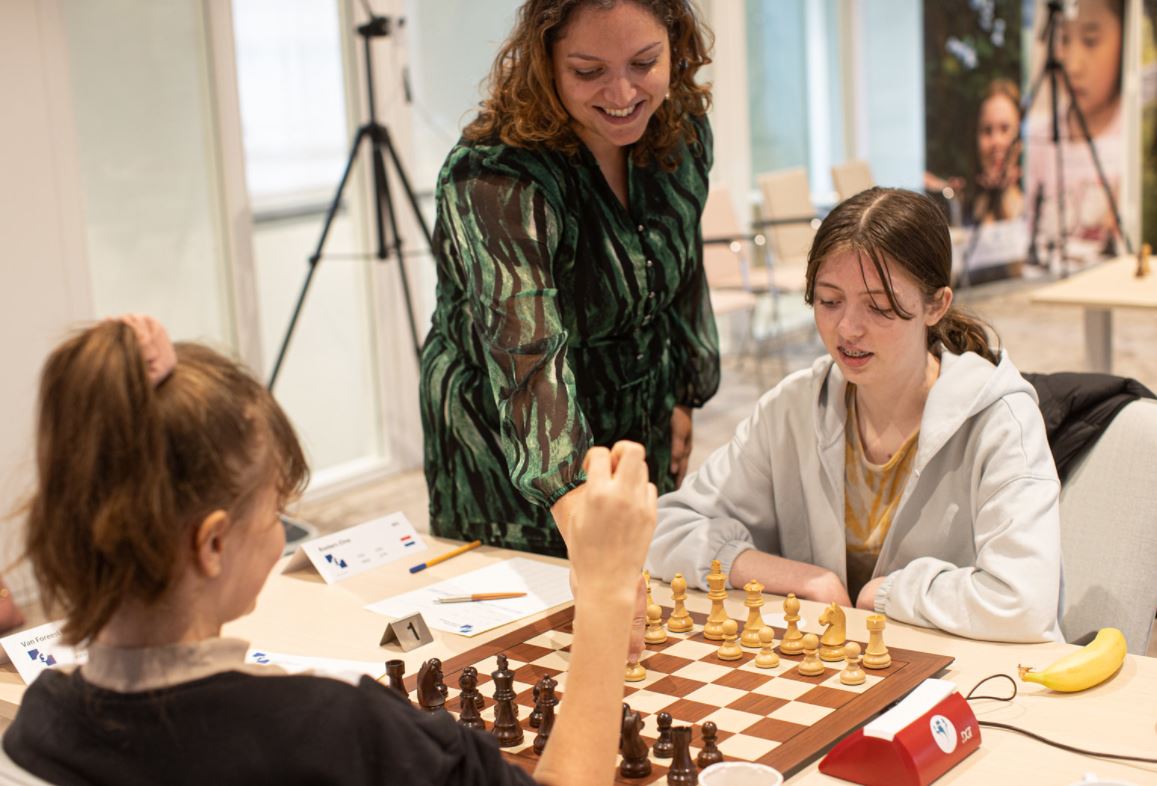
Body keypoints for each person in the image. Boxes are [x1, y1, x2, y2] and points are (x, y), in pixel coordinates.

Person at [4, 315, 658, 785]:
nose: (281, 532)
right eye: (274, 514)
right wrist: (603, 592)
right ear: (211, 543)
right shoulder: (329, 732)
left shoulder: (40, 725)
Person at [646, 188, 1064, 643]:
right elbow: (667, 530)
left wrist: (886, 595)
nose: (847, 329)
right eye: (829, 301)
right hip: (836, 677)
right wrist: (800, 578)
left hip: (976, 688)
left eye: (879, 307)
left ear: (936, 305)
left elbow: (1024, 601)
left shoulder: (1000, 420)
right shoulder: (793, 408)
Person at [419, 0, 719, 559]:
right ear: (545, 62)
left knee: (642, 616)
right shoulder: (495, 174)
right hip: (513, 441)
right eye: (589, 72)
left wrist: (683, 394)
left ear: (675, 46)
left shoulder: (680, 130)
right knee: (547, 626)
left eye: (643, 63)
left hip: (636, 412)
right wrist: (577, 505)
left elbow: (681, 269)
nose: (623, 93)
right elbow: (526, 355)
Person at [1025, 0, 1124, 255]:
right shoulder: (1038, 134)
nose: (1072, 65)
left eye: (1090, 40)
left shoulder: (1136, 138)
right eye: (1064, 40)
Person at [970, 78, 1024, 225]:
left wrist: (1006, 194)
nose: (996, 141)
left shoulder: (1038, 206)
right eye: (987, 131)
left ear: (1021, 140)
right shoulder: (962, 209)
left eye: (1005, 129)